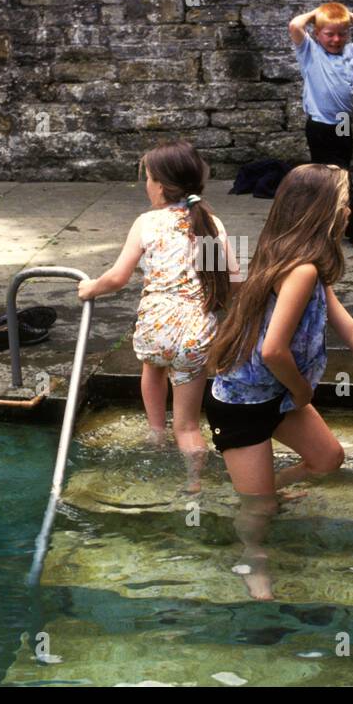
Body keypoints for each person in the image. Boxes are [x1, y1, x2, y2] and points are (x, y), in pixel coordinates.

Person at [207, 164, 353, 601]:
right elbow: (273, 350)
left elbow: (352, 332)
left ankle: (264, 487)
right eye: (345, 202)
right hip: (245, 404)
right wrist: (301, 391)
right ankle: (253, 559)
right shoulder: (301, 270)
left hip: (274, 393)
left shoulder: (307, 266)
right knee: (260, 511)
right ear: (326, 213)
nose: (350, 210)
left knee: (328, 458)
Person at [78, 142, 238, 493]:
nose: (146, 185)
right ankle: (195, 484)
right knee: (190, 427)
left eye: (148, 178)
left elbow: (118, 278)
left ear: (162, 186)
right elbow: (232, 276)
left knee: (152, 367)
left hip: (156, 327)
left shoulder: (146, 223)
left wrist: (91, 289)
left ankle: (155, 435)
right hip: (196, 332)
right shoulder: (211, 223)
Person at [288, 2, 353, 247]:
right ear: (317, 34)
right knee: (335, 180)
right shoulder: (310, 51)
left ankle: (325, 226)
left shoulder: (351, 52)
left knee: (338, 178)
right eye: (329, 33)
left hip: (343, 125)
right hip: (320, 126)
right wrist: (320, 12)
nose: (335, 39)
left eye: (341, 33)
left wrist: (348, 14)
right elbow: (295, 25)